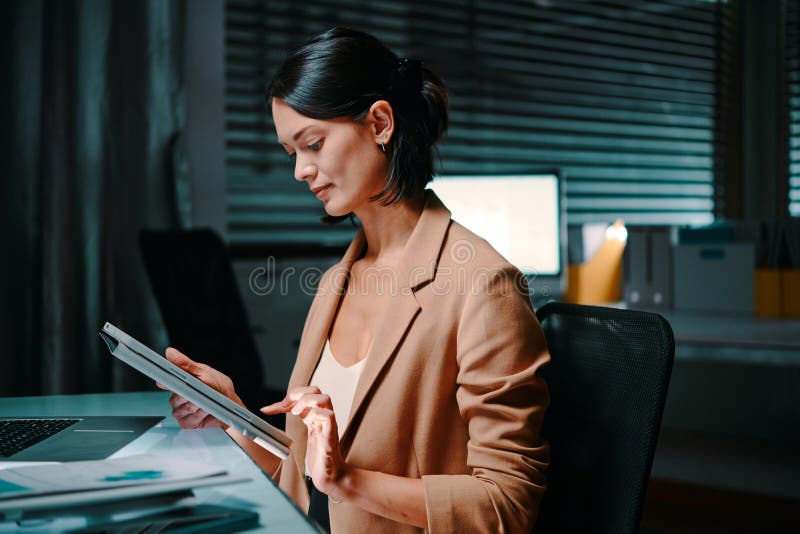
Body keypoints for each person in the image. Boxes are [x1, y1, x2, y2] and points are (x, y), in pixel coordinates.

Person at [165, 27, 550, 533]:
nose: (301, 170)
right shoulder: (335, 284)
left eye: (314, 143)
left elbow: (508, 505)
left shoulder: (484, 285)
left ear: (380, 123)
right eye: (291, 153)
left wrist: (348, 481)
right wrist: (232, 414)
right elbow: (307, 481)